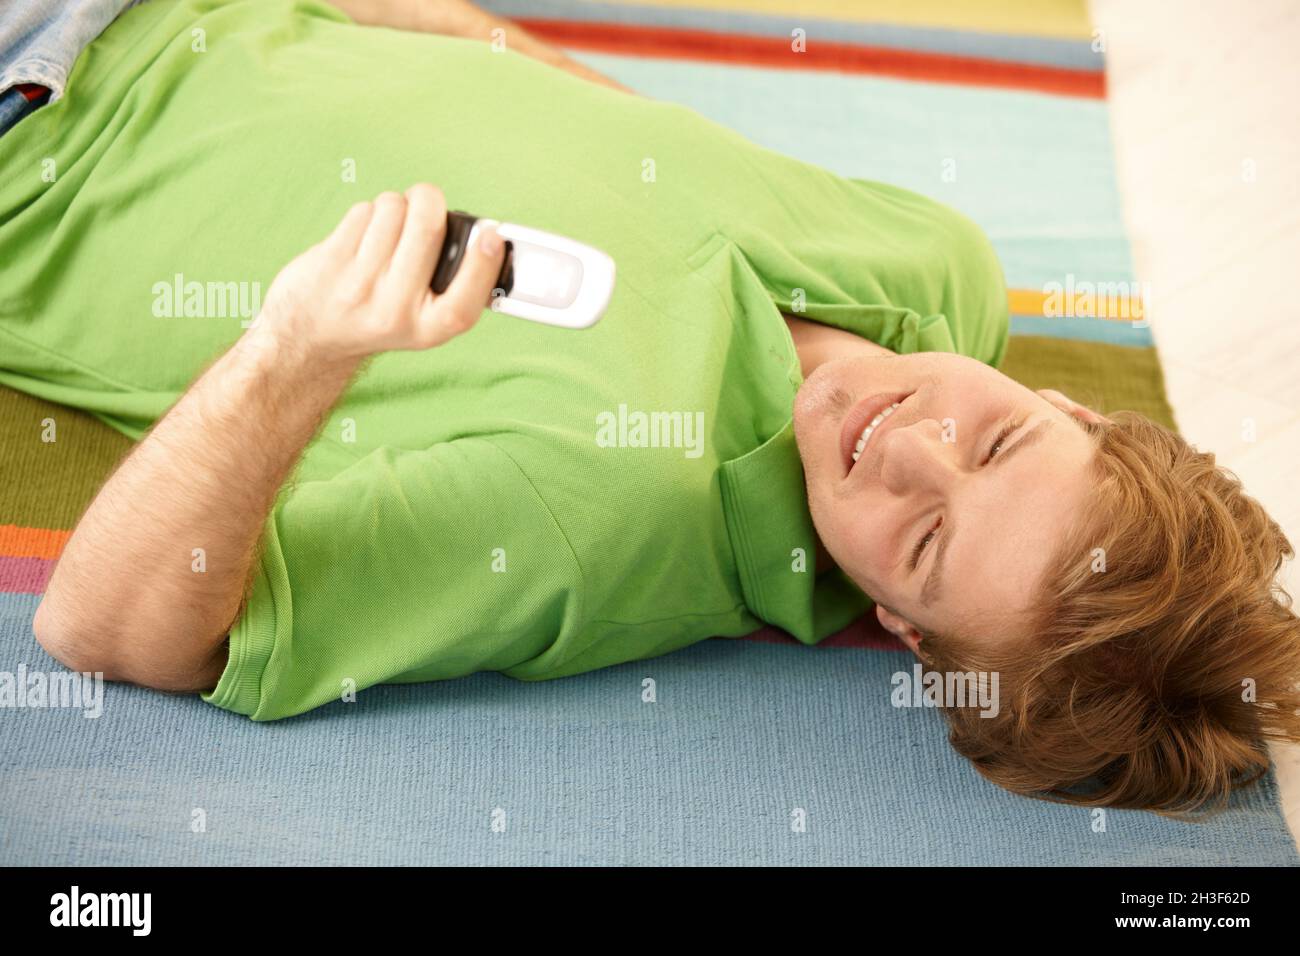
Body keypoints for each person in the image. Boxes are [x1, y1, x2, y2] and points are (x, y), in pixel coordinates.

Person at [5, 0, 1298, 817]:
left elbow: (103, 627)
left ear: (902, 627)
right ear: (1069, 401)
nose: (906, 442)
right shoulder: (941, 266)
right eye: (1001, 437)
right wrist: (452, 35)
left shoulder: (602, 515)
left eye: (925, 541)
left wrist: (291, 351)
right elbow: (648, 157)